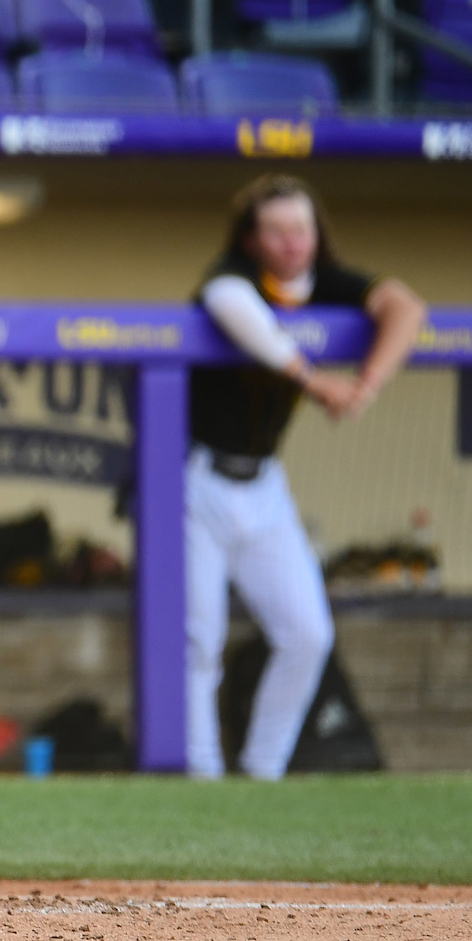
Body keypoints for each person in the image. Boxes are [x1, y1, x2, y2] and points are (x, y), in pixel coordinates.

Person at [186, 174, 425, 780]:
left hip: (264, 483)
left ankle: (263, 771)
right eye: (276, 231)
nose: (292, 243)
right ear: (252, 238)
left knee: (307, 634)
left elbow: (406, 307)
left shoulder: (327, 282)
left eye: (301, 228)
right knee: (198, 642)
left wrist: (364, 386)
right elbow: (229, 306)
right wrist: (315, 379)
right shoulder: (232, 278)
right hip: (195, 478)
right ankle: (198, 776)